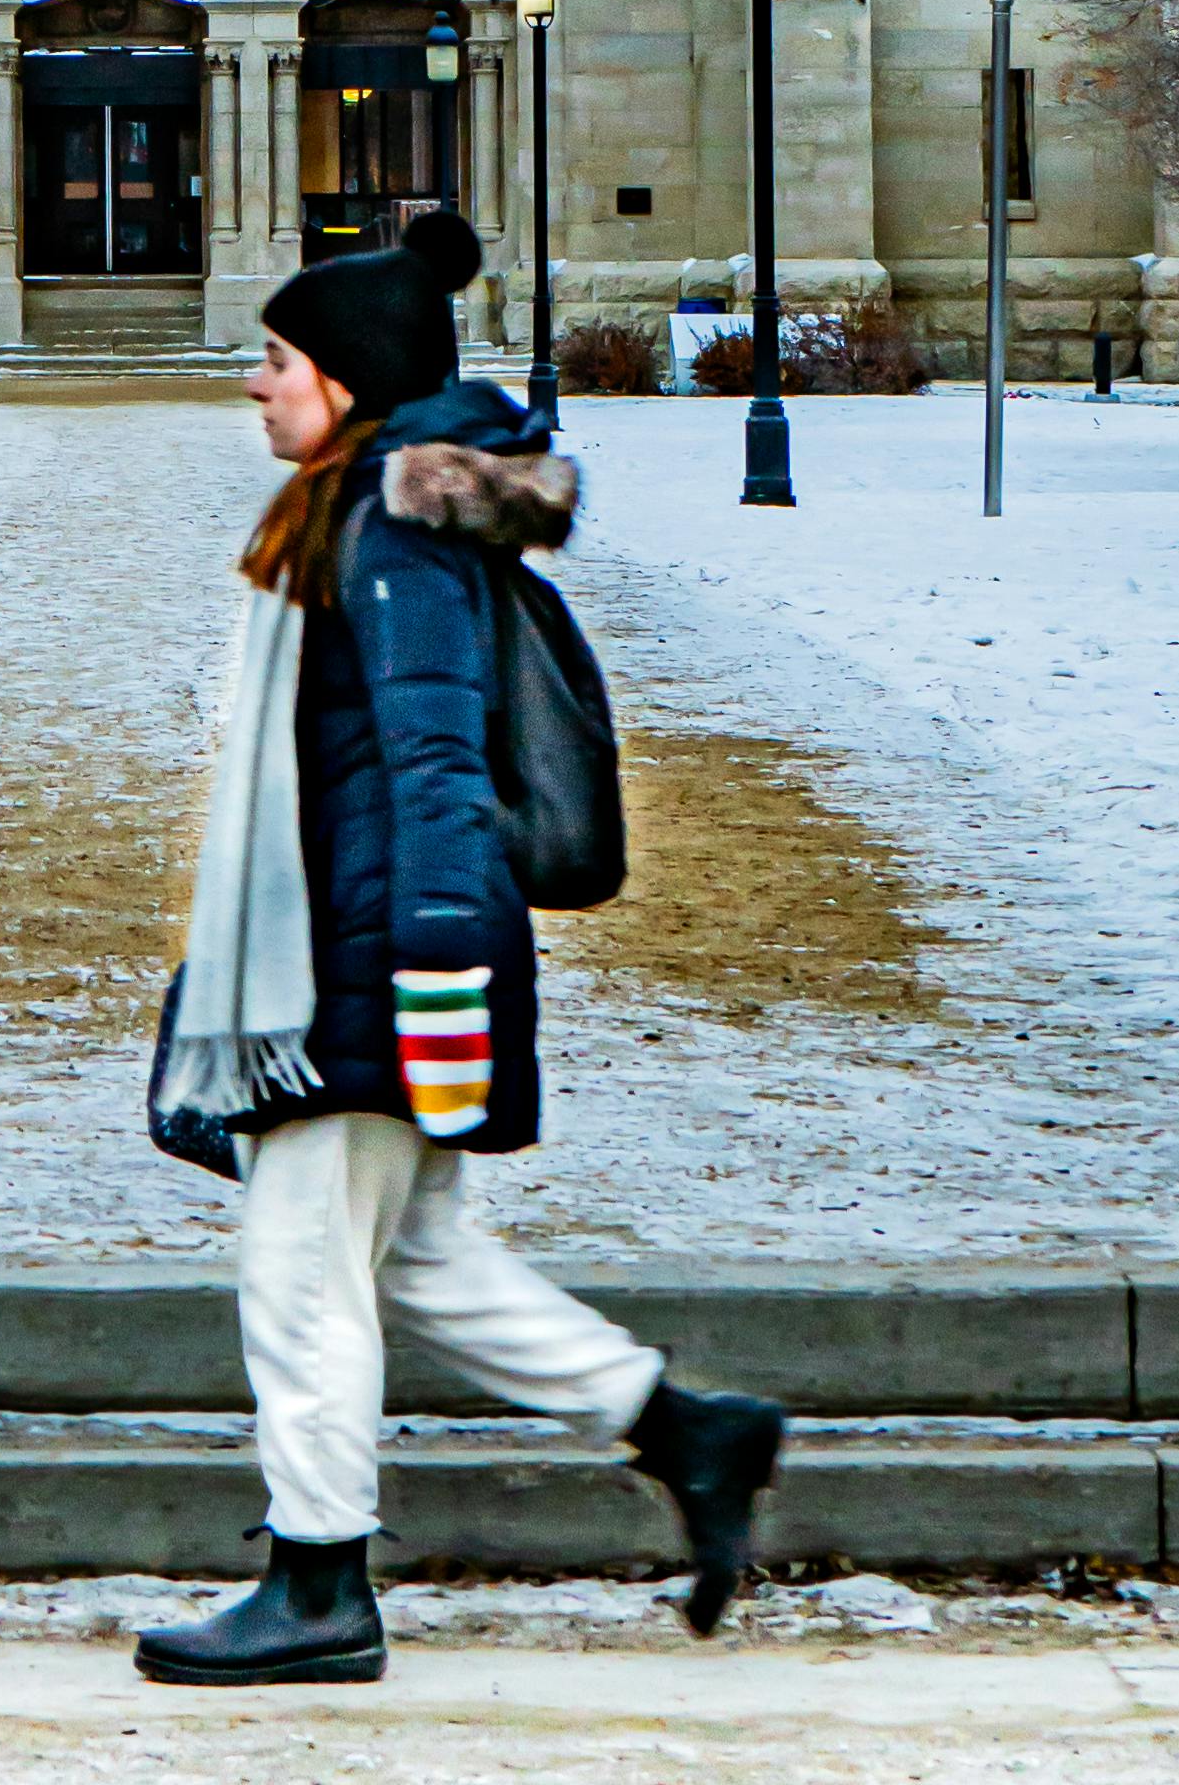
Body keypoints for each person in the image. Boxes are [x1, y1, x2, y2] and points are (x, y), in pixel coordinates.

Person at [134, 205, 785, 1688]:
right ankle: (690, 1432)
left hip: (373, 959)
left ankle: (318, 1590)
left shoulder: (389, 537)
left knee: (301, 1273)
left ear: (348, 382)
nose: (256, 382)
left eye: (277, 358)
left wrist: (430, 973)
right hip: (362, 941)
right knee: (419, 1260)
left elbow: (435, 764)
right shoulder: (356, 514)